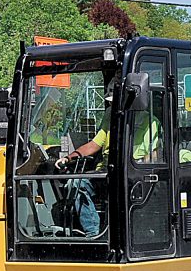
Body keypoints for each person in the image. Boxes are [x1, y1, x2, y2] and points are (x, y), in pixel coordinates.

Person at [56, 85, 161, 236]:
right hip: (106, 171)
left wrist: (136, 164)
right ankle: (93, 232)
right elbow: (94, 144)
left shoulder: (150, 122)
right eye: (111, 102)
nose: (111, 104)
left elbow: (153, 156)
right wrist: (68, 158)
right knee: (76, 183)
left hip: (132, 173)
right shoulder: (110, 115)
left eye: (114, 101)